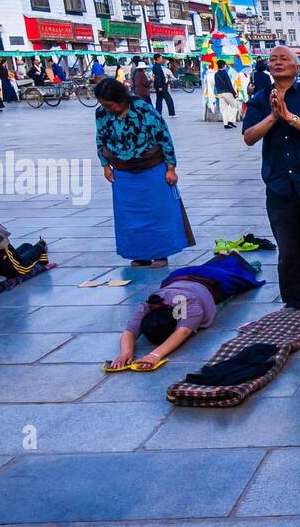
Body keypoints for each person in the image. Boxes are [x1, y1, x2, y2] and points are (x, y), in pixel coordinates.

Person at [242, 45, 300, 309]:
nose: (278, 63)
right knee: (288, 249)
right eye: (273, 59)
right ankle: (293, 301)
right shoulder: (260, 98)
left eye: (284, 59)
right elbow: (249, 137)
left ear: (296, 67)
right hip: (278, 182)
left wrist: (290, 118)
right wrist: (273, 117)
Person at [110, 251, 264, 370]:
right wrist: (125, 353)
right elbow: (130, 331)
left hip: (216, 279)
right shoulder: (151, 303)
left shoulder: (190, 307)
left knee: (243, 272)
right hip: (179, 275)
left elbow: (182, 332)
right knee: (212, 267)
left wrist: (155, 355)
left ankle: (231, 257)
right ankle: (223, 257)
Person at [94, 77, 185, 268]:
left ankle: (160, 254)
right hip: (123, 173)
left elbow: (164, 138)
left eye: (109, 104)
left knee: (157, 214)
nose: (107, 108)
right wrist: (105, 165)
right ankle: (139, 254)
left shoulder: (143, 109)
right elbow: (100, 139)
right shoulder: (102, 114)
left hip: (151, 169)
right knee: (130, 218)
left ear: (120, 98)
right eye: (104, 105)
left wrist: (170, 168)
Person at [213, 60, 239, 129]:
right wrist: (234, 93)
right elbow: (229, 85)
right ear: (222, 66)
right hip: (227, 92)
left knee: (224, 109)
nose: (225, 66)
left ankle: (225, 124)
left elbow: (216, 85)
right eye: (225, 65)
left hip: (220, 94)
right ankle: (231, 120)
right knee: (235, 106)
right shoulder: (225, 73)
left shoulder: (216, 74)